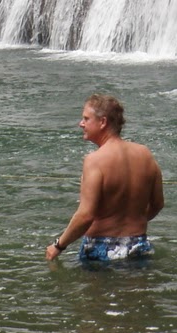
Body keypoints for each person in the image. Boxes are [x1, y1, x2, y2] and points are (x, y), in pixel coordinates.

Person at [47, 94, 164, 264]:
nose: (81, 124)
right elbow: (158, 204)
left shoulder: (94, 160)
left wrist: (58, 246)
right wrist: (131, 224)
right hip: (138, 246)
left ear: (102, 122)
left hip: (102, 250)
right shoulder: (145, 154)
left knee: (98, 291)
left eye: (86, 119)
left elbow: (86, 215)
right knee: (137, 291)